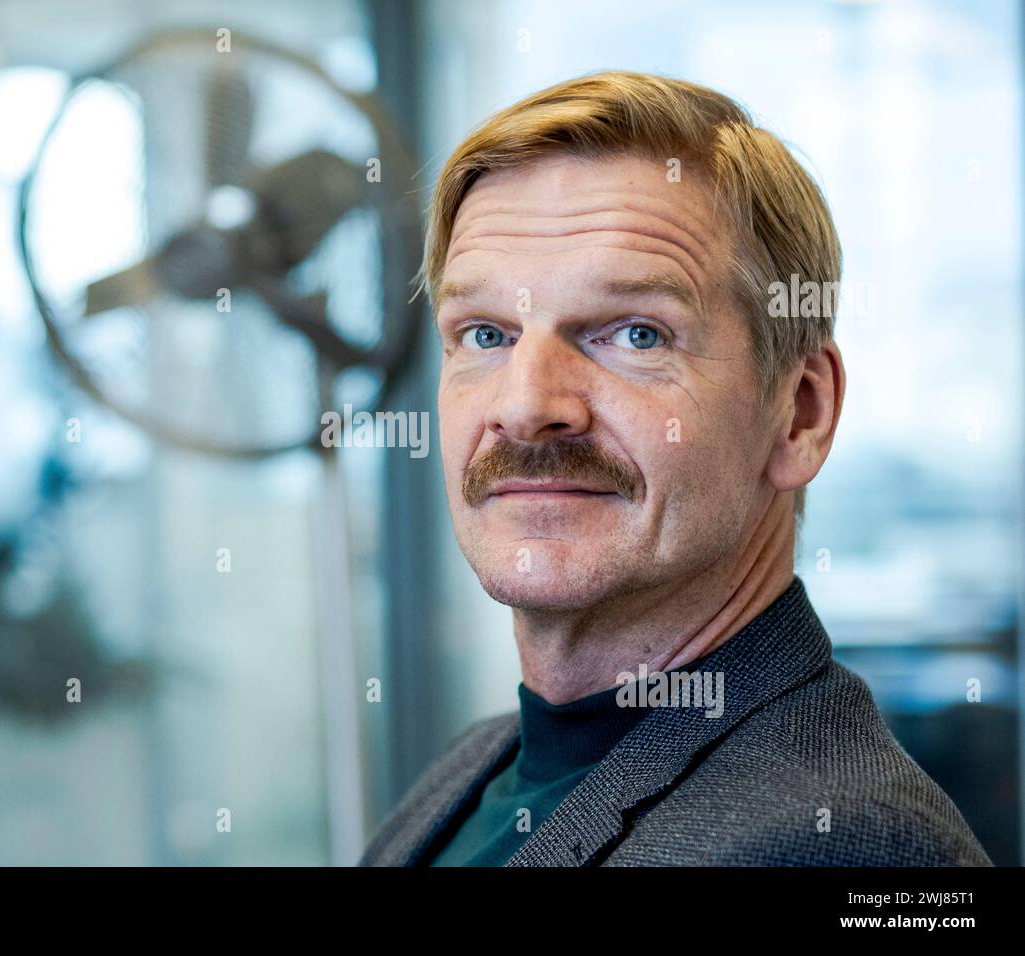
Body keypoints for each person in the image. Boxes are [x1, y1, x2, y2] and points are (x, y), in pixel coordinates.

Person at [359, 70, 992, 866]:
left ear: (799, 414)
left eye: (634, 335)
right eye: (485, 334)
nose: (525, 407)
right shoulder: (473, 770)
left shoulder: (847, 841)